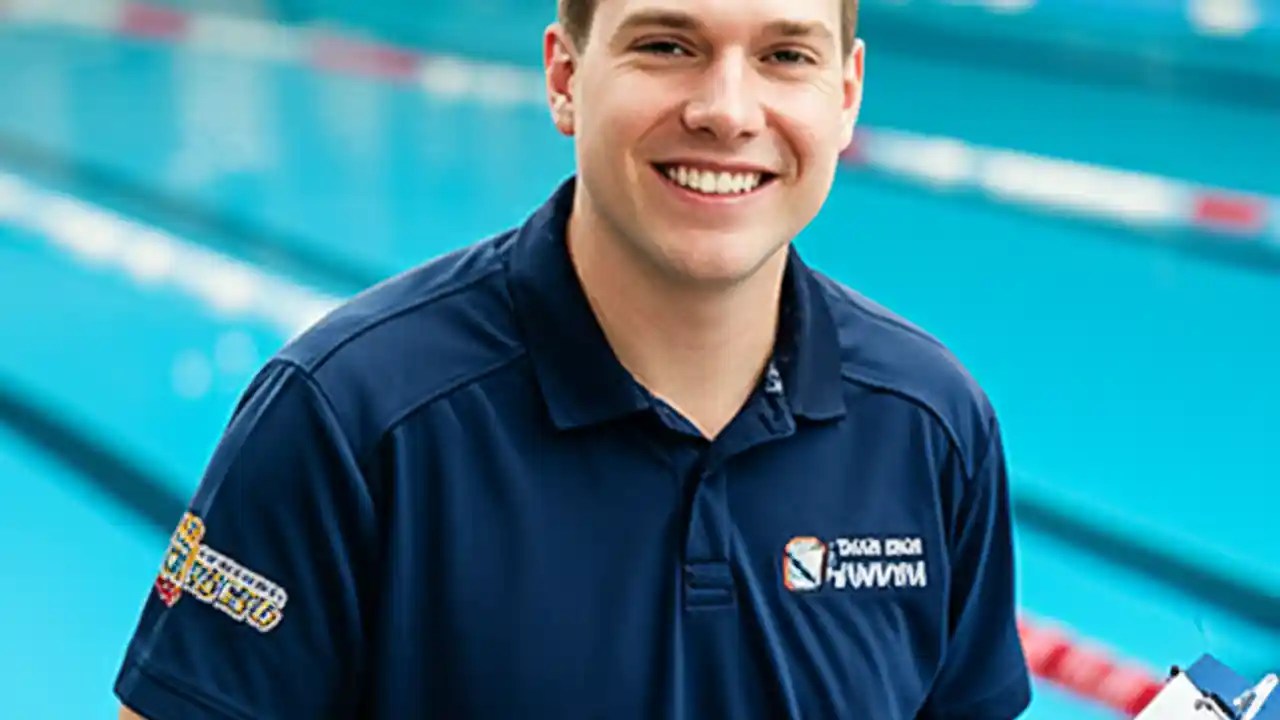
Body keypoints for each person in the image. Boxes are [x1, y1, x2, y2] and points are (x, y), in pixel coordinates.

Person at [116, 0, 1033, 717]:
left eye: (785, 55)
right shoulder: (352, 418)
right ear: (563, 75)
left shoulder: (932, 424)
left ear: (845, 94)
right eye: (667, 45)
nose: (725, 110)